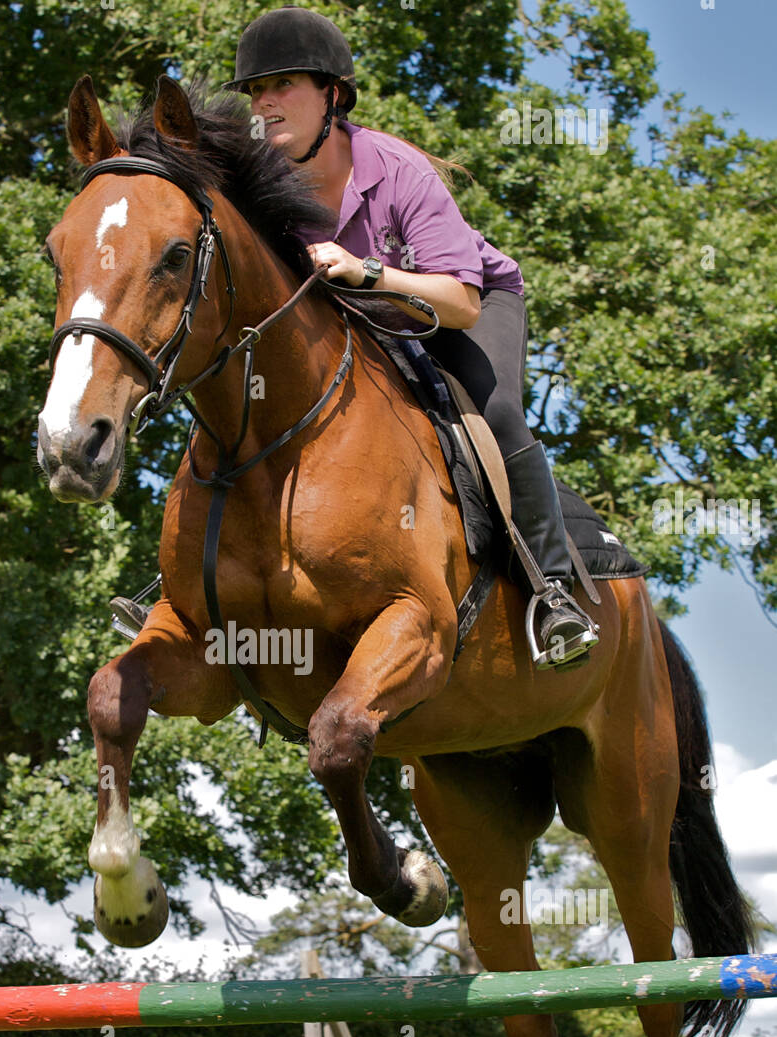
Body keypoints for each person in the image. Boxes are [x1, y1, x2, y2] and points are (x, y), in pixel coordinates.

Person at [111, 5, 598, 669]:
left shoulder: (397, 172)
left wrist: (368, 270)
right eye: (256, 90)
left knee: (499, 414)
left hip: (454, 305)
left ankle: (552, 592)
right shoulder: (257, 181)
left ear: (331, 96)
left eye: (283, 85)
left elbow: (458, 302)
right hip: (357, 323)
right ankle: (181, 585)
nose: (265, 102)